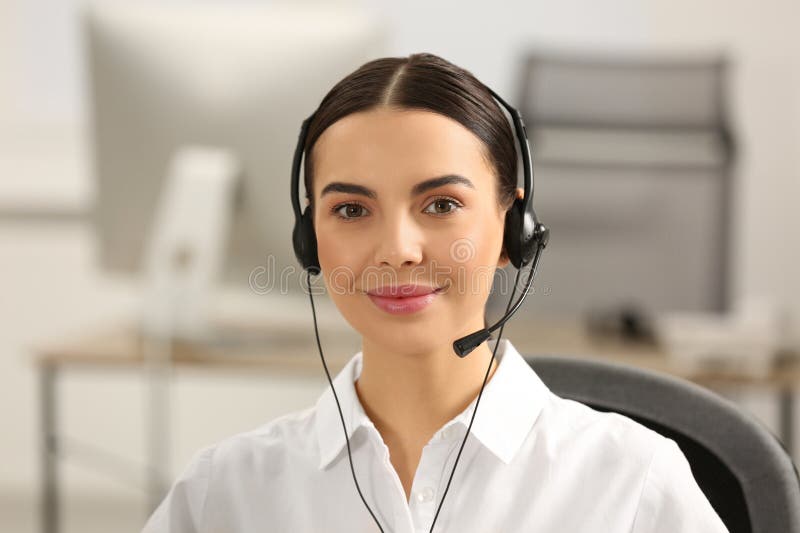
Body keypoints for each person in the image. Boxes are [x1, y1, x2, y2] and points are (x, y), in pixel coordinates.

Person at [142, 52, 729, 532]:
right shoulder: (226, 495)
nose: (398, 248)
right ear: (309, 239)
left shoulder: (631, 483)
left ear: (513, 231)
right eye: (351, 208)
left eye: (441, 205)